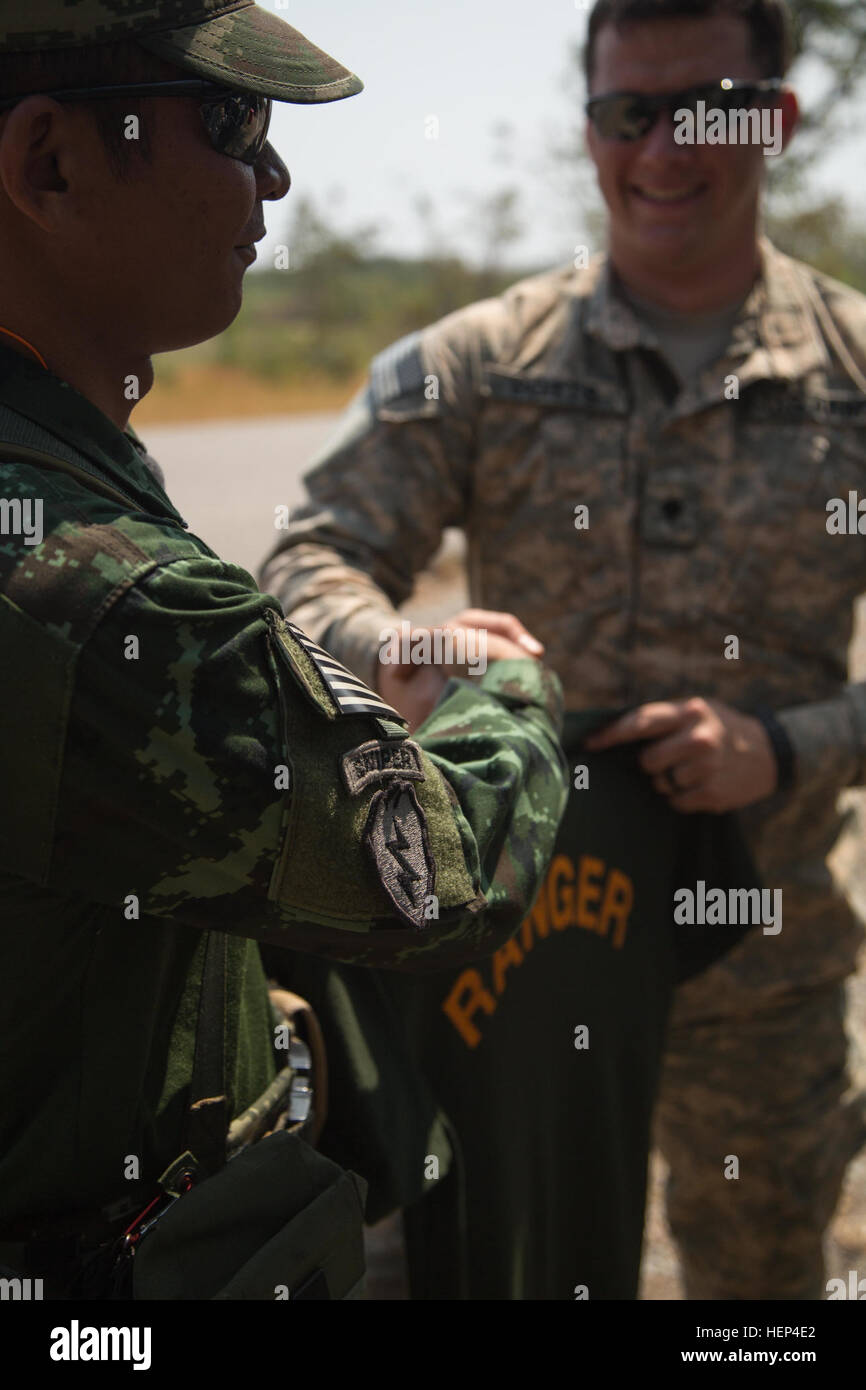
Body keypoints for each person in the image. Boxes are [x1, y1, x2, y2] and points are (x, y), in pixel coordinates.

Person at [262, 0, 866, 1300]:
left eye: (702, 109)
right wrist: (397, 645)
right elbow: (305, 563)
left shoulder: (852, 372)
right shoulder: (483, 361)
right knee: (505, 1267)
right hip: (518, 963)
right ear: (590, 126)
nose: (660, 150)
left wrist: (786, 746)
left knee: (760, 1296)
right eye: (624, 112)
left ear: (773, 120)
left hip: (766, 958)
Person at [0, 0, 570, 1301]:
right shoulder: (95, 589)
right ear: (49, 161)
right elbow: (433, 871)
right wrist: (510, 690)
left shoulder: (60, 469)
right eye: (230, 120)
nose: (275, 176)